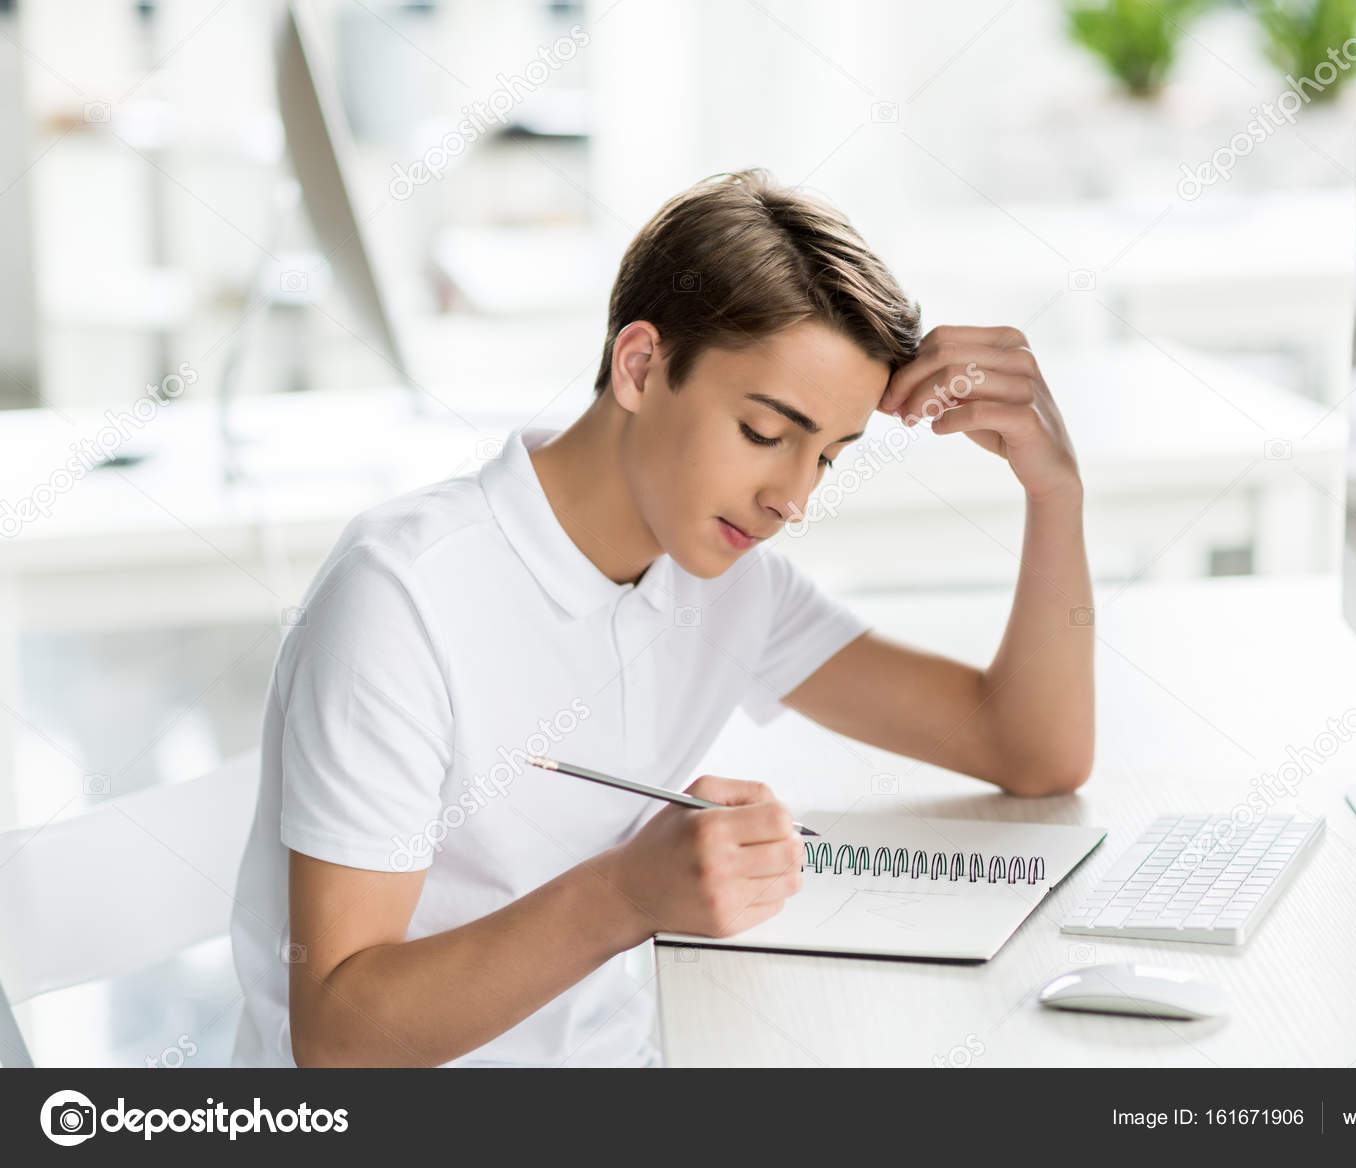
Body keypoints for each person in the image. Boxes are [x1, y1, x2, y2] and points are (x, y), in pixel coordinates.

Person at [229, 168, 1093, 1067]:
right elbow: (336, 1038)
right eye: (765, 434)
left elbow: (1030, 751)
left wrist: (1055, 490)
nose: (792, 499)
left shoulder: (722, 581)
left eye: (828, 457)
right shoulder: (401, 597)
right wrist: (625, 896)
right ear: (639, 366)